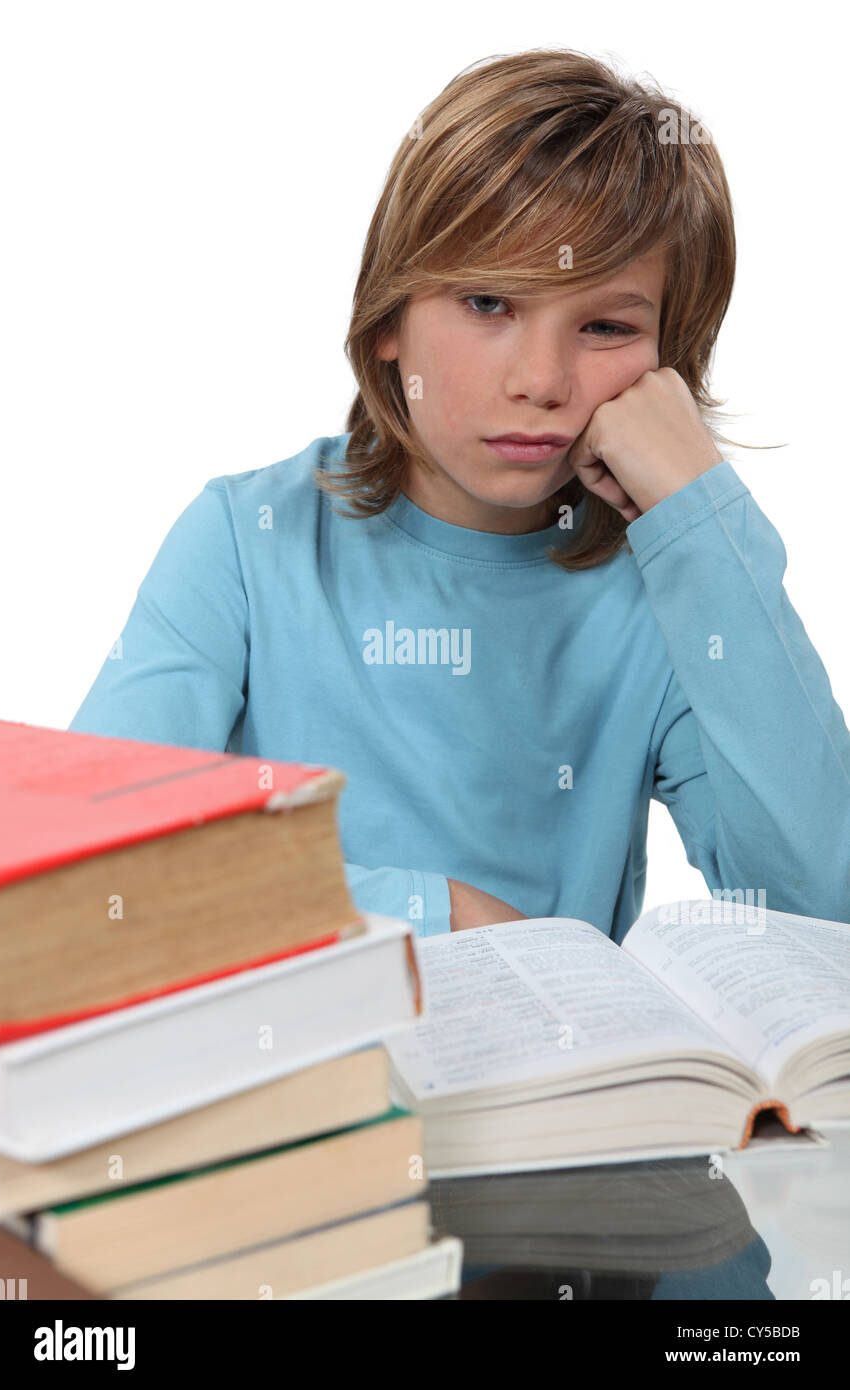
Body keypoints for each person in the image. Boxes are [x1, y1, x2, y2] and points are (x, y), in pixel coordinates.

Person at [68, 48, 850, 939]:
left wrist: (700, 517)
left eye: (605, 325)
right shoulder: (247, 542)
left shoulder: (670, 591)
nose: (542, 380)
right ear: (391, 318)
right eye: (488, 303)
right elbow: (93, 866)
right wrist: (427, 913)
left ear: (665, 362)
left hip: (556, 1073)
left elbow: (824, 919)